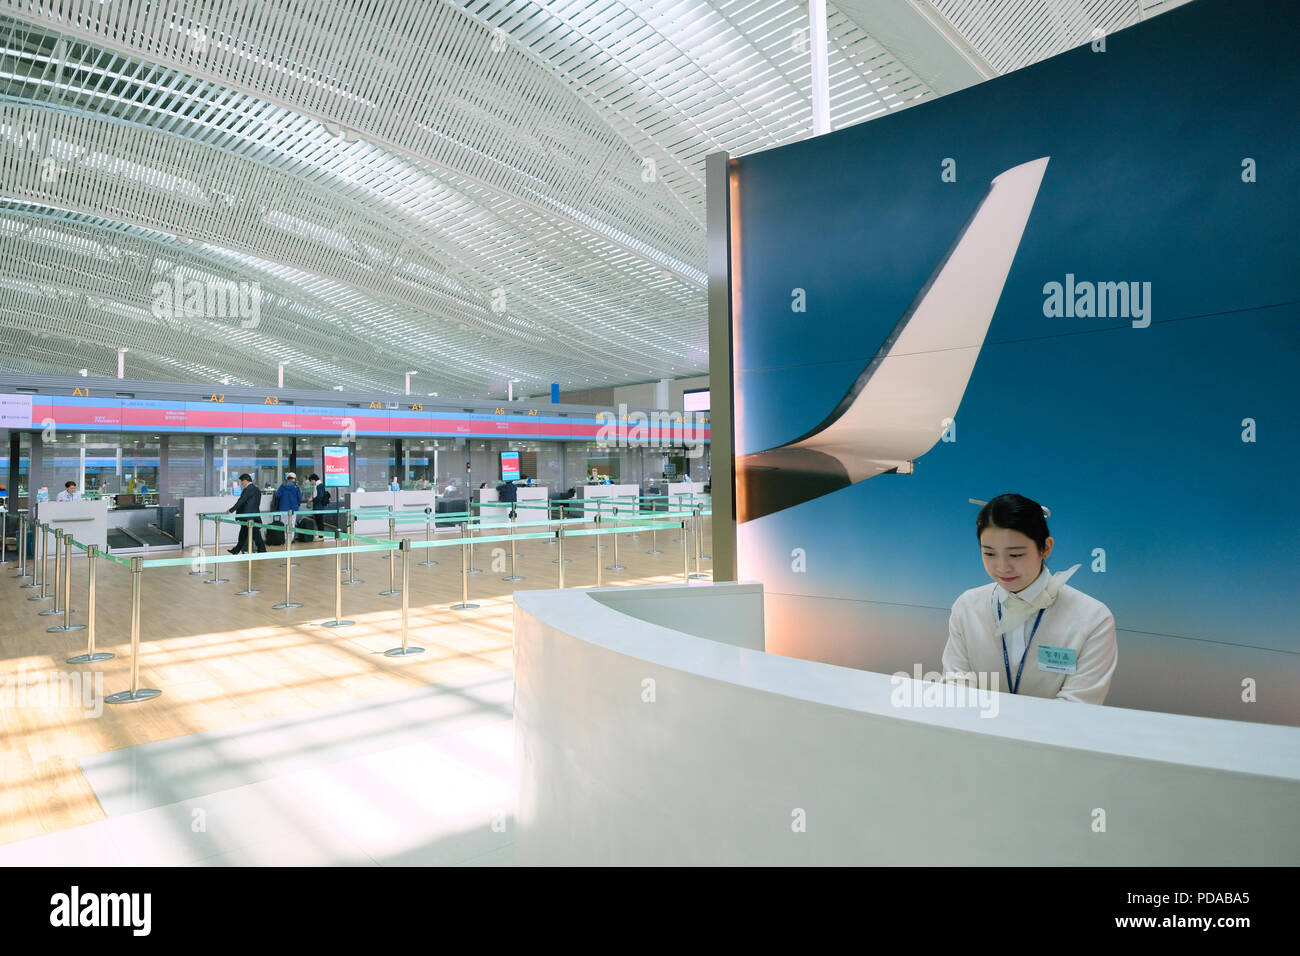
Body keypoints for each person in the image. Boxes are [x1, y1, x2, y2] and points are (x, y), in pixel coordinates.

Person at [942, 493, 1117, 704]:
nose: (1002, 567)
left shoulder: (1093, 618)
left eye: (1015, 555)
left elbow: (1078, 706)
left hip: (1051, 737)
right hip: (976, 732)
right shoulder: (967, 606)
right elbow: (955, 688)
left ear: (1046, 548)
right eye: (989, 554)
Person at [226, 473, 266, 554]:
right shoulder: (256, 489)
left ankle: (263, 551)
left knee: (256, 535)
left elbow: (241, 501)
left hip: (248, 516)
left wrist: (231, 510)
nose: (241, 484)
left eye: (242, 482)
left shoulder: (248, 489)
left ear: (245, 481)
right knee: (243, 534)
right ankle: (236, 550)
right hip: (253, 515)